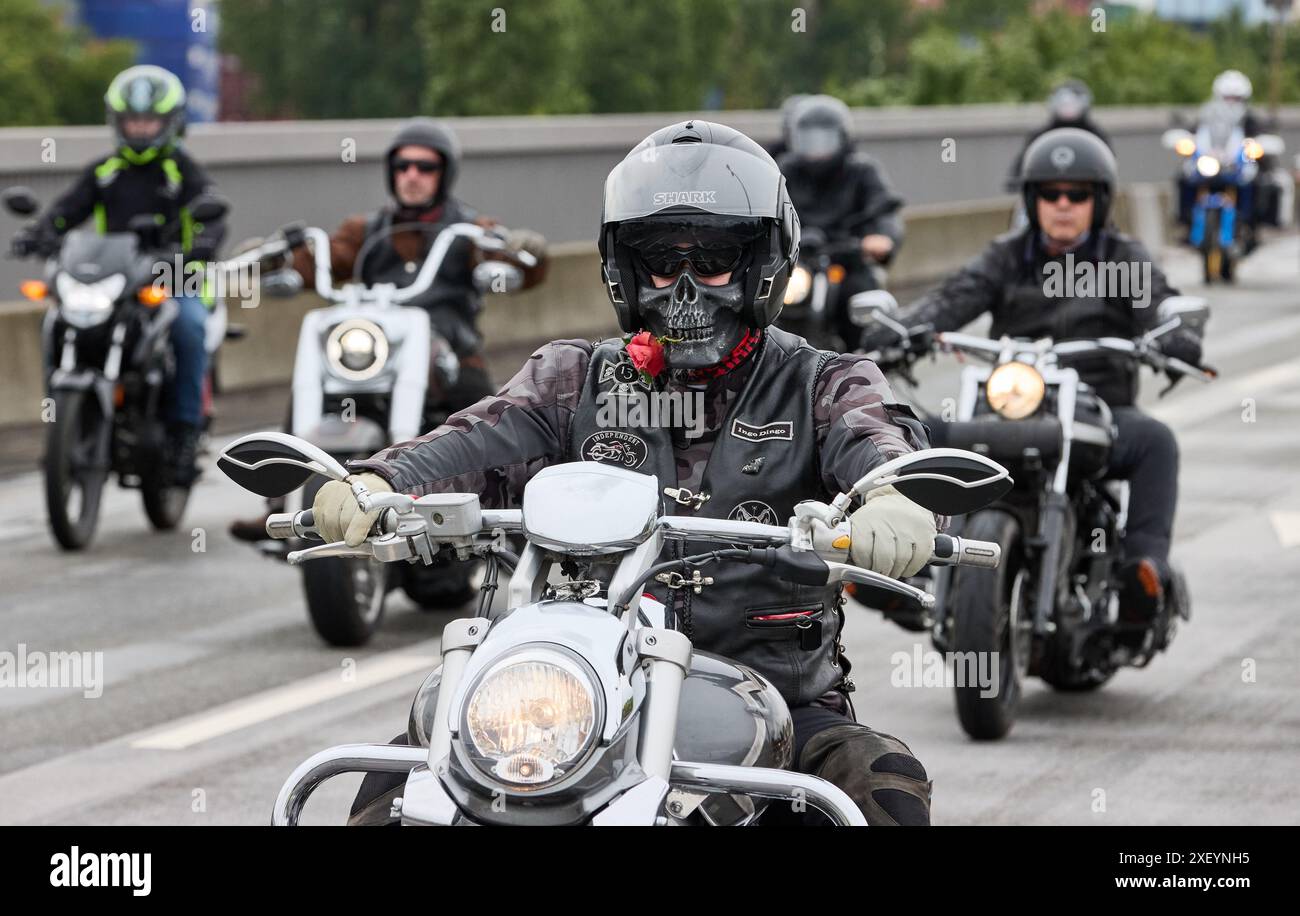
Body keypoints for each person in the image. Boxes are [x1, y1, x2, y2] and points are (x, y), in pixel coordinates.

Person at [320, 120, 940, 826]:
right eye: (658, 257)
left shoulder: (818, 382)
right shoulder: (577, 378)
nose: (683, 285)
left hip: (774, 698)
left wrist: (896, 496)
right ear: (624, 265)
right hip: (581, 692)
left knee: (879, 781)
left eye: (710, 257)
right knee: (406, 775)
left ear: (759, 263)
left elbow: (877, 435)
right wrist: (379, 482)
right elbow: (476, 439)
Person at [862, 127, 1205, 641]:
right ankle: (896, 557)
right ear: (1032, 199)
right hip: (1008, 406)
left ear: (1099, 199)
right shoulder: (1007, 255)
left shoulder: (1124, 257)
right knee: (912, 433)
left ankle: (1143, 572)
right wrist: (900, 330)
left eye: (1077, 194)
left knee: (1157, 441)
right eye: (1050, 193)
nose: (1063, 205)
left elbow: (1159, 302)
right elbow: (953, 299)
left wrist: (1176, 333)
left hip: (1099, 407)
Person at [228, 118, 549, 541]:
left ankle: (504, 518)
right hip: (380, 348)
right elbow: (325, 258)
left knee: (485, 414)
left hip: (447, 351)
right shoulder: (366, 230)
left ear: (444, 174)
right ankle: (282, 500)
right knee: (314, 385)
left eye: (425, 167)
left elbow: (515, 261)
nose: (412, 176)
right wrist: (275, 261)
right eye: (403, 166)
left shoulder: (468, 230)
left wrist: (525, 254)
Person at [12, 65, 225, 484]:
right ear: (116, 122)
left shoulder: (183, 171)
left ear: (171, 123)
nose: (141, 129)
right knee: (57, 322)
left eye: (149, 121)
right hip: (115, 281)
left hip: (174, 279)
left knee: (188, 327)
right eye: (132, 121)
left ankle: (183, 434)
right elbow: (63, 214)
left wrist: (200, 246)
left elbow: (212, 216)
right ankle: (63, 431)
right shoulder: (104, 172)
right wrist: (36, 235)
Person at [777, 95, 904, 350]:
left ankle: (870, 365)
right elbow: (766, 207)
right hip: (799, 264)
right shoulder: (785, 170)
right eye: (809, 139)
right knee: (765, 303)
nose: (817, 148)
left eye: (825, 139)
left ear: (843, 137)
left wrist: (884, 238)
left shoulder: (862, 171)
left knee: (862, 303)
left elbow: (885, 210)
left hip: (848, 261)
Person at [1006, 80, 1113, 192]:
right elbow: (1022, 165)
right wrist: (1016, 180)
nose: (1067, 107)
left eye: (1073, 103)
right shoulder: (1040, 136)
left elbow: (1110, 167)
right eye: (1063, 102)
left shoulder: (1096, 136)